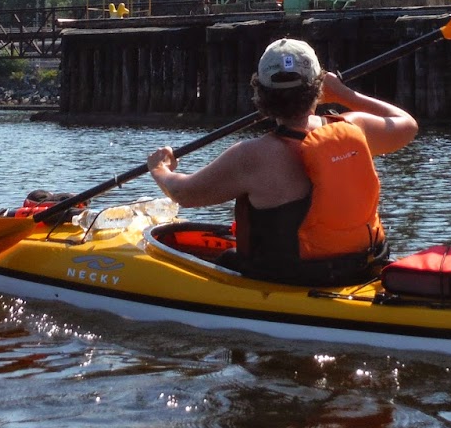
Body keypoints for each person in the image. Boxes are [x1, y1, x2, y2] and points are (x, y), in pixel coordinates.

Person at [146, 37, 417, 285]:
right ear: (319, 89)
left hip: (299, 276)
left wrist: (160, 169)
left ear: (262, 95)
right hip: (366, 265)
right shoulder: (355, 128)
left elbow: (184, 193)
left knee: (230, 257)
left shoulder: (251, 155)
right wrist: (345, 94)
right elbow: (407, 124)